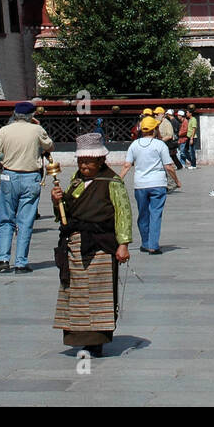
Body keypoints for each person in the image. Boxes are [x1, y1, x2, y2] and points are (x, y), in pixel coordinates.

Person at [52, 132, 133, 356]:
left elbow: (123, 214)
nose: (83, 165)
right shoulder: (76, 181)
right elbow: (64, 216)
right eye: (80, 161)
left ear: (100, 161)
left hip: (100, 246)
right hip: (75, 244)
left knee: (98, 294)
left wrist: (123, 244)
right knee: (76, 293)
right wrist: (57, 200)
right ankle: (78, 335)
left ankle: (96, 340)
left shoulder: (113, 182)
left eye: (88, 161)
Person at [0, 102, 53, 273]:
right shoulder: (36, 130)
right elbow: (49, 146)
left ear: (15, 114)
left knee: (6, 219)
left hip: (9, 176)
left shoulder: (4, 130)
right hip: (31, 177)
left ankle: (2, 258)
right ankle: (21, 262)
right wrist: (38, 126)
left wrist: (1, 167)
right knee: (25, 221)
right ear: (32, 116)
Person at [119, 115, 177, 254]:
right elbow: (168, 166)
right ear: (155, 129)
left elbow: (127, 165)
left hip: (140, 185)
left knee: (143, 214)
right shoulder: (160, 145)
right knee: (155, 214)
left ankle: (145, 243)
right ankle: (153, 245)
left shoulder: (134, 145)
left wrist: (119, 178)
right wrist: (177, 180)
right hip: (158, 184)